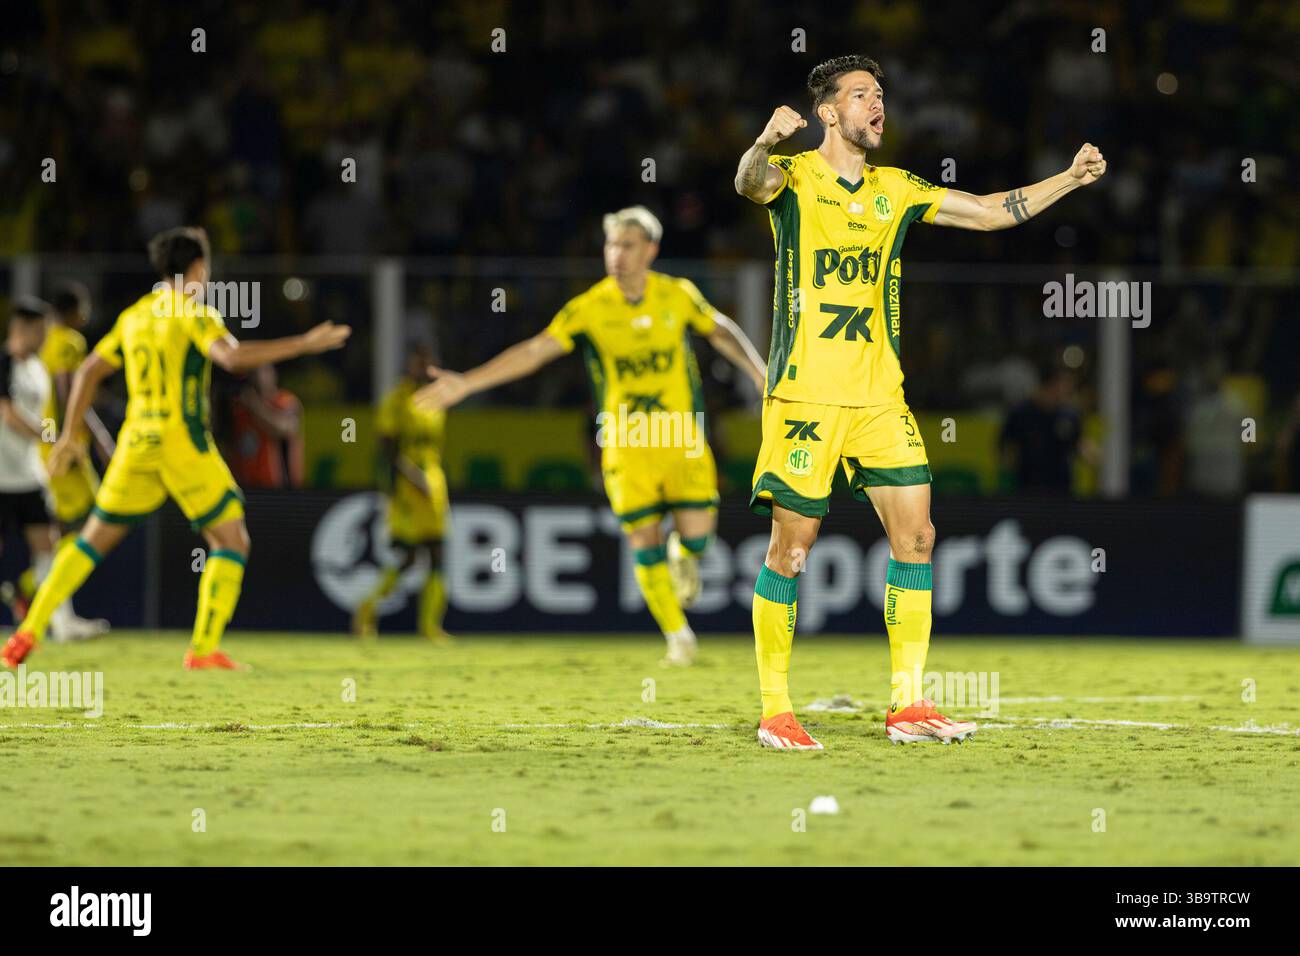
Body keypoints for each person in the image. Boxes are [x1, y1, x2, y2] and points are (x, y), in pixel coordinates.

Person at [734, 54, 1106, 748]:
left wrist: (1070, 178)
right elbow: (749, 183)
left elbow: (993, 214)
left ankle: (908, 704)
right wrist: (762, 142)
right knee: (791, 551)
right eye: (861, 95)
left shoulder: (897, 190)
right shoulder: (795, 176)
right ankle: (775, 709)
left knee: (918, 539)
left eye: (881, 95)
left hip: (880, 399)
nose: (878, 106)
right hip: (805, 396)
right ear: (828, 112)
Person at [413, 205, 767, 666]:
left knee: (697, 537)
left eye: (627, 245)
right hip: (625, 444)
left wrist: (759, 373)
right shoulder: (590, 309)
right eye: (611, 245)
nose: (616, 255)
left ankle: (687, 553)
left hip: (681, 439)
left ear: (651, 251)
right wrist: (470, 382)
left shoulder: (677, 295)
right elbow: (537, 350)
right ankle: (678, 637)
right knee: (642, 539)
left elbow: (719, 331)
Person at [1, 227, 349, 670]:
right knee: (231, 539)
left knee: (89, 541)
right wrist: (302, 343)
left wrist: (70, 435)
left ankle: (24, 636)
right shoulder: (190, 310)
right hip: (181, 441)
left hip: (136, 443)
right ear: (199, 269)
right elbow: (231, 359)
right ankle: (203, 649)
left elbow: (89, 371)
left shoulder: (135, 315)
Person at [353, 343, 452, 643]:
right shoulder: (396, 400)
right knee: (408, 557)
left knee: (437, 552)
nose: (422, 368)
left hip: (432, 484)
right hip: (406, 488)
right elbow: (386, 450)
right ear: (408, 366)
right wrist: (401, 483)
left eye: (427, 363)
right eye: (417, 363)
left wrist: (429, 478)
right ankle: (367, 609)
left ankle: (430, 626)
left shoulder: (438, 401)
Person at [0, 300, 59, 638]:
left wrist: (47, 435)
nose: (45, 338)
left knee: (48, 544)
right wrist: (47, 434)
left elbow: (39, 414)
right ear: (21, 330)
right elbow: (8, 415)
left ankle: (51, 620)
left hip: (29, 474)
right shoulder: (3, 362)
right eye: (40, 332)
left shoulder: (38, 368)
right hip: (1, 475)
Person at [226, 364, 304, 488]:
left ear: (273, 374)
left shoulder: (285, 401)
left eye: (262, 372)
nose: (257, 377)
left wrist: (255, 406)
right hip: (245, 483)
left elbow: (285, 428)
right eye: (253, 372)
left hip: (279, 486)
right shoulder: (239, 406)